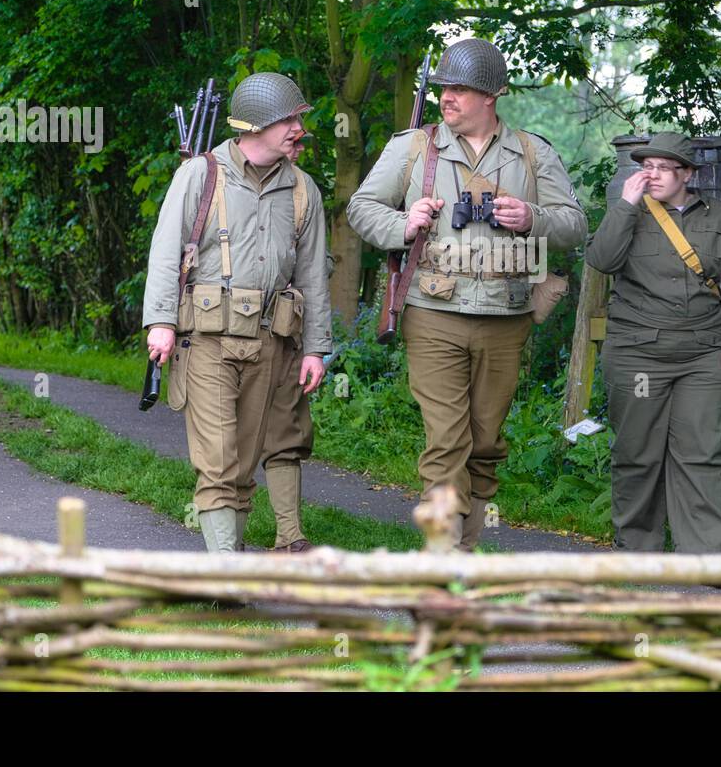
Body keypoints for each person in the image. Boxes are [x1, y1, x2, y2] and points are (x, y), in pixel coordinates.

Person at [347, 37, 587, 550]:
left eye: (459, 89)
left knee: (483, 443)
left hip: (507, 314)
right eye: (443, 89)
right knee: (447, 439)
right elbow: (361, 208)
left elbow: (574, 225)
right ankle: (443, 555)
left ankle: (465, 549)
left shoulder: (531, 152)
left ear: (491, 95)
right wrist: (402, 223)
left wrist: (532, 218)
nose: (446, 98)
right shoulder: (413, 147)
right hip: (433, 313)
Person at [142, 72, 331, 553]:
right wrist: (161, 323)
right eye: (289, 120)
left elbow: (312, 277)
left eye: (298, 120)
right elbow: (165, 254)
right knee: (220, 459)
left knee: (245, 459)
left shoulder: (303, 189)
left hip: (271, 340)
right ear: (256, 125)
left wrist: (316, 350)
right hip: (205, 341)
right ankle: (225, 571)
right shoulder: (200, 175)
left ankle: (234, 554)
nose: (297, 129)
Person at [585, 132, 721, 553]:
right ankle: (639, 551)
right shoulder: (628, 210)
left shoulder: (719, 216)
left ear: (688, 174)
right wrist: (625, 205)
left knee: (702, 454)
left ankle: (707, 556)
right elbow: (601, 261)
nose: (652, 174)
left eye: (663, 167)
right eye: (647, 166)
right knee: (637, 453)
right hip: (638, 353)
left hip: (703, 353)